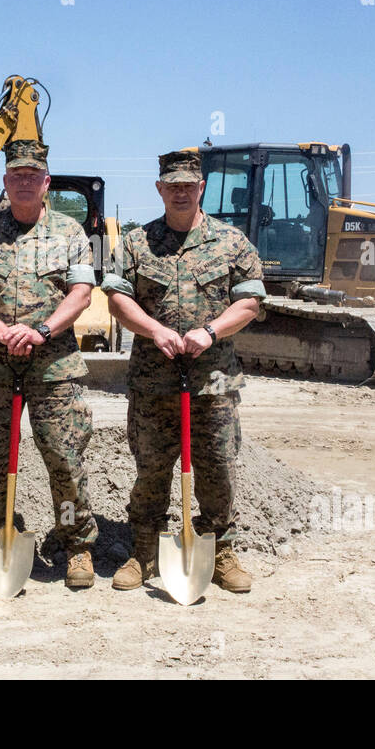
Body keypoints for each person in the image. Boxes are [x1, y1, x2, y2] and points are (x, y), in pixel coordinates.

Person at [102, 149, 265, 593]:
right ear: (159, 189)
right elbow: (118, 300)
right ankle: (144, 550)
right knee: (151, 467)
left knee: (217, 466)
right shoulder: (137, 243)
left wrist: (210, 332)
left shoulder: (232, 243)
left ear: (201, 189)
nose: (179, 192)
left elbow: (249, 302)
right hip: (153, 380)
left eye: (187, 186)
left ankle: (220, 550)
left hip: (214, 380)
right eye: (171, 185)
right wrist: (155, 330)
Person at [0, 139, 99, 589]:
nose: (24, 182)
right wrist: (2, 332)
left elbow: (81, 293)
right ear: (4, 181)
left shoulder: (70, 234)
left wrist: (41, 332)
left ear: (46, 183)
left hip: (54, 366)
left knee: (64, 456)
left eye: (32, 176)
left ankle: (75, 545)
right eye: (16, 175)